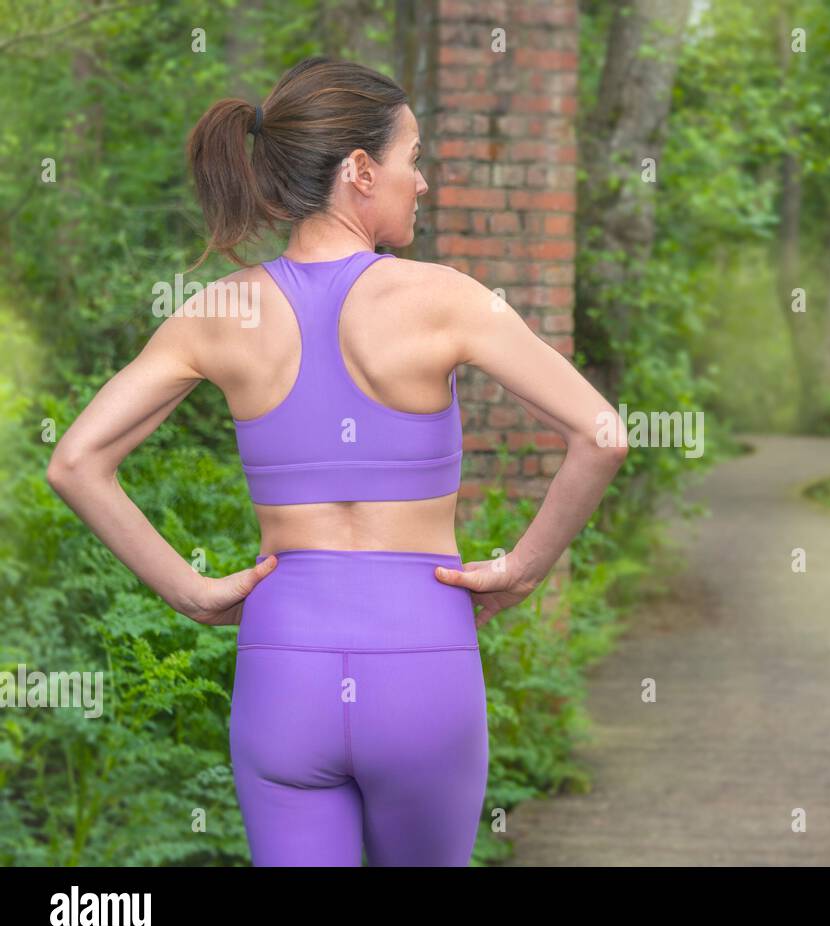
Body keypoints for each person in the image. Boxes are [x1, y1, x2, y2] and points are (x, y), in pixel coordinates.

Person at [43, 55, 629, 866]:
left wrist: (192, 591)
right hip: (424, 664)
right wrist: (525, 569)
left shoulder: (221, 310)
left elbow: (74, 462)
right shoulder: (446, 298)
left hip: (285, 670)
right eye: (412, 159)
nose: (420, 182)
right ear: (360, 169)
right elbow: (602, 433)